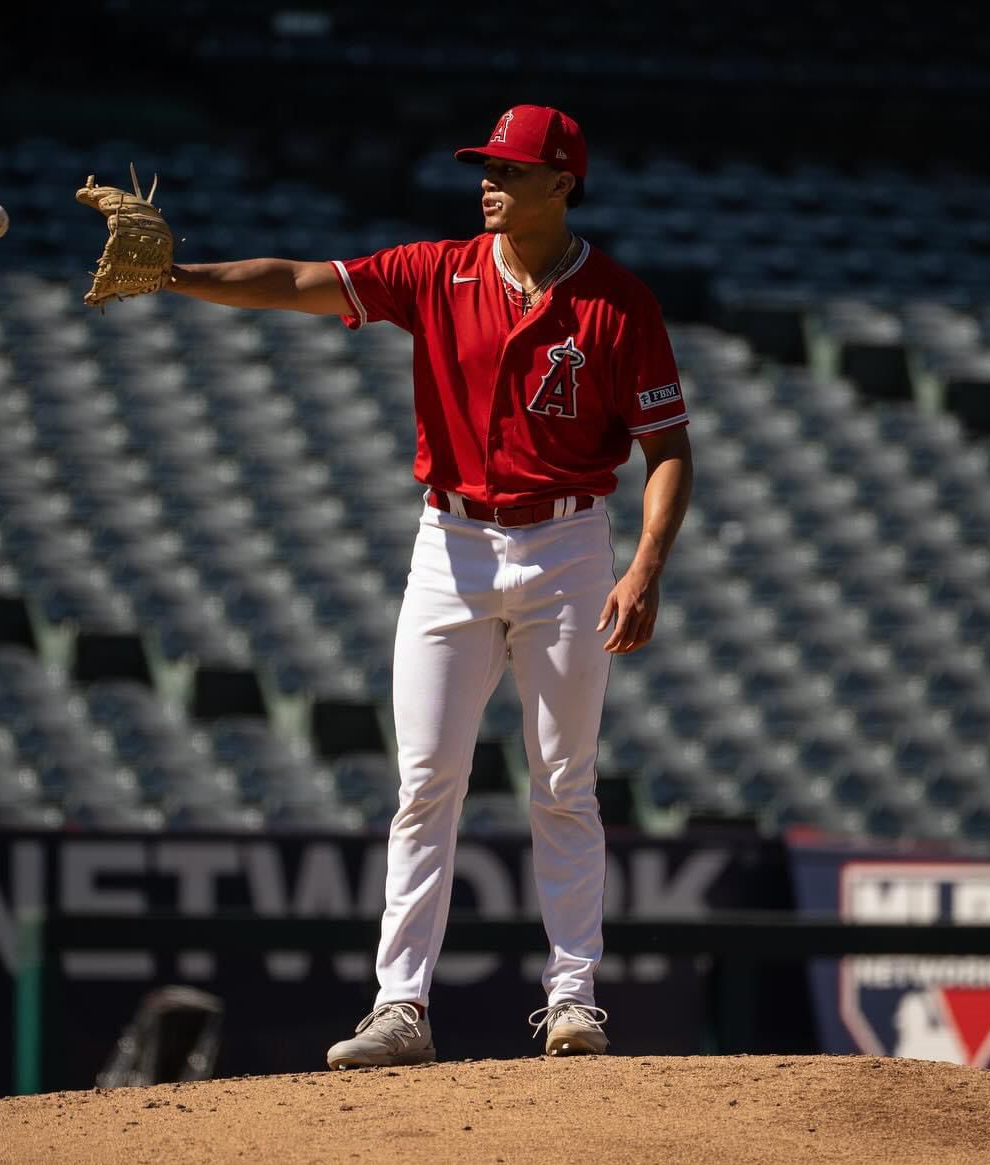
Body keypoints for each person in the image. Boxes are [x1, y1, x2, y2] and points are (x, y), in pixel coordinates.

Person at [164, 104, 694, 1068]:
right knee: (424, 784)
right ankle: (399, 1007)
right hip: (448, 543)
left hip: (569, 547)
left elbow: (668, 450)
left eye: (510, 169)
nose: (487, 180)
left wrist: (644, 567)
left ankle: (574, 1001)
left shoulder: (619, 303)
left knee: (564, 783)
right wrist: (174, 273)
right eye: (485, 166)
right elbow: (296, 282)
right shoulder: (436, 269)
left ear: (563, 184)